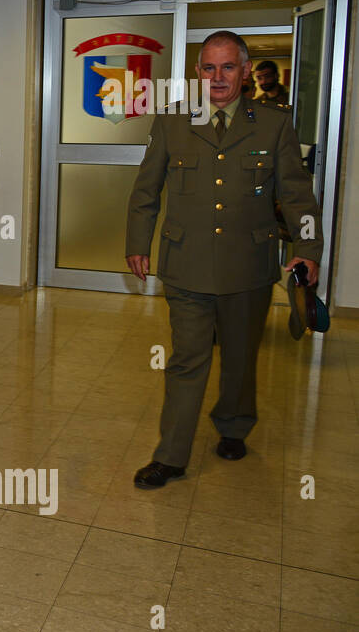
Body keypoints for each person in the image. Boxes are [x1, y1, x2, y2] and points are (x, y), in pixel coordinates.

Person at [126, 30, 322, 488]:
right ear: (198, 72)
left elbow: (297, 196)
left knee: (239, 357)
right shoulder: (173, 121)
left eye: (228, 67)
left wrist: (308, 249)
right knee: (186, 360)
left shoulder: (274, 124)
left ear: (245, 70)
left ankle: (234, 426)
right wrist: (138, 242)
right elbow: (146, 189)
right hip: (187, 263)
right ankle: (171, 455)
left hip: (247, 266)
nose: (218, 77)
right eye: (209, 67)